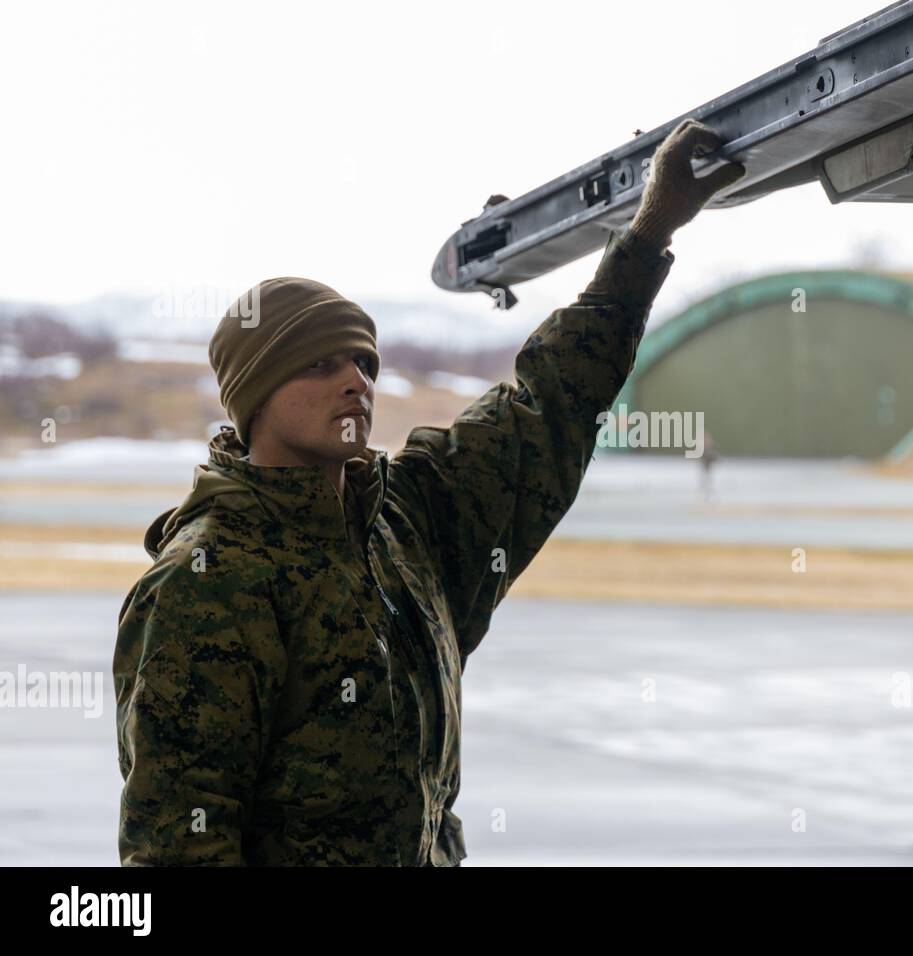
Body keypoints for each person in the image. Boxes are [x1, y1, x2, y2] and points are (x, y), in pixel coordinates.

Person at [113, 119, 745, 866]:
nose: (355, 381)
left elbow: (547, 408)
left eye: (364, 362)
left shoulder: (404, 520)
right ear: (254, 396)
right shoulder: (208, 581)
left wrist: (649, 235)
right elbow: (177, 846)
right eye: (319, 364)